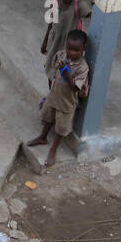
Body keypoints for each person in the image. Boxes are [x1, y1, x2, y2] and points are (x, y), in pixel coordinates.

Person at [28, 29, 90, 166]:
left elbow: (75, 88)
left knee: (62, 127)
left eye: (76, 50)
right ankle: (42, 137)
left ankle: (53, 149)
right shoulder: (61, 55)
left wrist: (67, 74)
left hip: (67, 102)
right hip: (54, 95)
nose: (71, 53)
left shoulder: (83, 67)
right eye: (69, 48)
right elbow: (54, 73)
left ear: (83, 49)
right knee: (48, 117)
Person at [40, 0, 91, 79]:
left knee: (64, 72)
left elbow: (92, 15)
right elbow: (51, 24)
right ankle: (51, 94)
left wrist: (96, 6)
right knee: (51, 68)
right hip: (54, 42)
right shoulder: (54, 3)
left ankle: (59, 93)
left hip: (68, 45)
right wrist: (45, 41)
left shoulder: (80, 6)